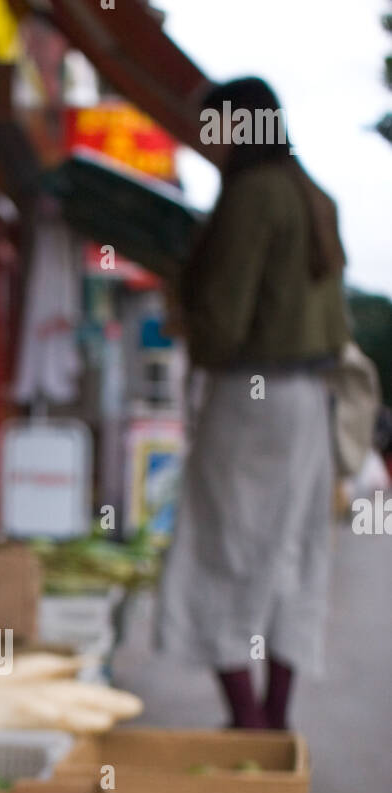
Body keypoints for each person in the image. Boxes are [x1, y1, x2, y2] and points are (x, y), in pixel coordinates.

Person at [156, 77, 349, 730]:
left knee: (222, 553)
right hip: (306, 403)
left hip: (250, 398)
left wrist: (183, 298)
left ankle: (248, 720)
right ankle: (274, 717)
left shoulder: (250, 197)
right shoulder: (311, 194)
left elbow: (221, 325)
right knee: (290, 555)